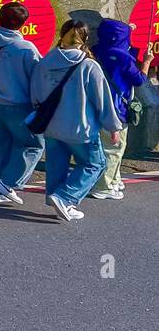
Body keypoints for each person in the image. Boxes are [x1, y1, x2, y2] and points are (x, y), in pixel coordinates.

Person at [31, 19, 121, 221]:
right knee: (95, 164)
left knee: (57, 165)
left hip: (52, 126)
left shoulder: (45, 62)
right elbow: (102, 100)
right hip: (81, 128)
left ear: (61, 35)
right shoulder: (89, 65)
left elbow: (35, 95)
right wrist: (113, 126)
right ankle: (65, 197)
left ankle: (56, 199)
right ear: (85, 39)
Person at [0, 2, 44, 207]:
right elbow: (37, 79)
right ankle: (8, 182)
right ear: (23, 24)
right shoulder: (26, 48)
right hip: (19, 105)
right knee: (33, 144)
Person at [89, 19, 153, 201]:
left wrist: (127, 31)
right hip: (117, 109)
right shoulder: (123, 57)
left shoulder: (96, 50)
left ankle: (114, 179)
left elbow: (117, 50)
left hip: (96, 105)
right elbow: (139, 80)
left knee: (106, 147)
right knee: (114, 148)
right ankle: (103, 186)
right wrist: (147, 61)